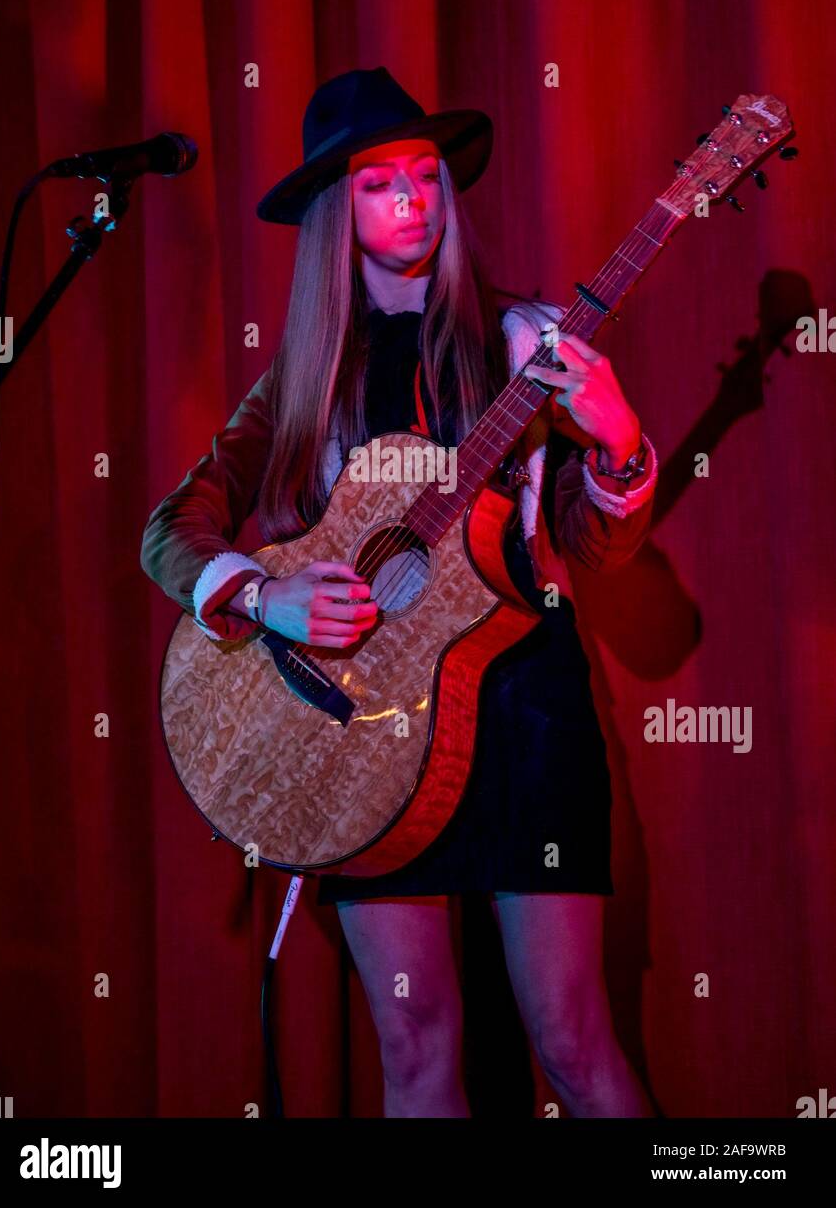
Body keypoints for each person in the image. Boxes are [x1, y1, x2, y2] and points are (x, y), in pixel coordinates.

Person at [140, 67, 659, 1118]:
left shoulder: (524, 343)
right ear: (338, 208)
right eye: (379, 182)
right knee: (414, 1042)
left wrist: (616, 441)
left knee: (569, 1036)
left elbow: (591, 543)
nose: (412, 198)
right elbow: (170, 529)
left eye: (424, 176)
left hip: (522, 718)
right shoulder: (299, 377)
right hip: (364, 727)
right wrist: (263, 597)